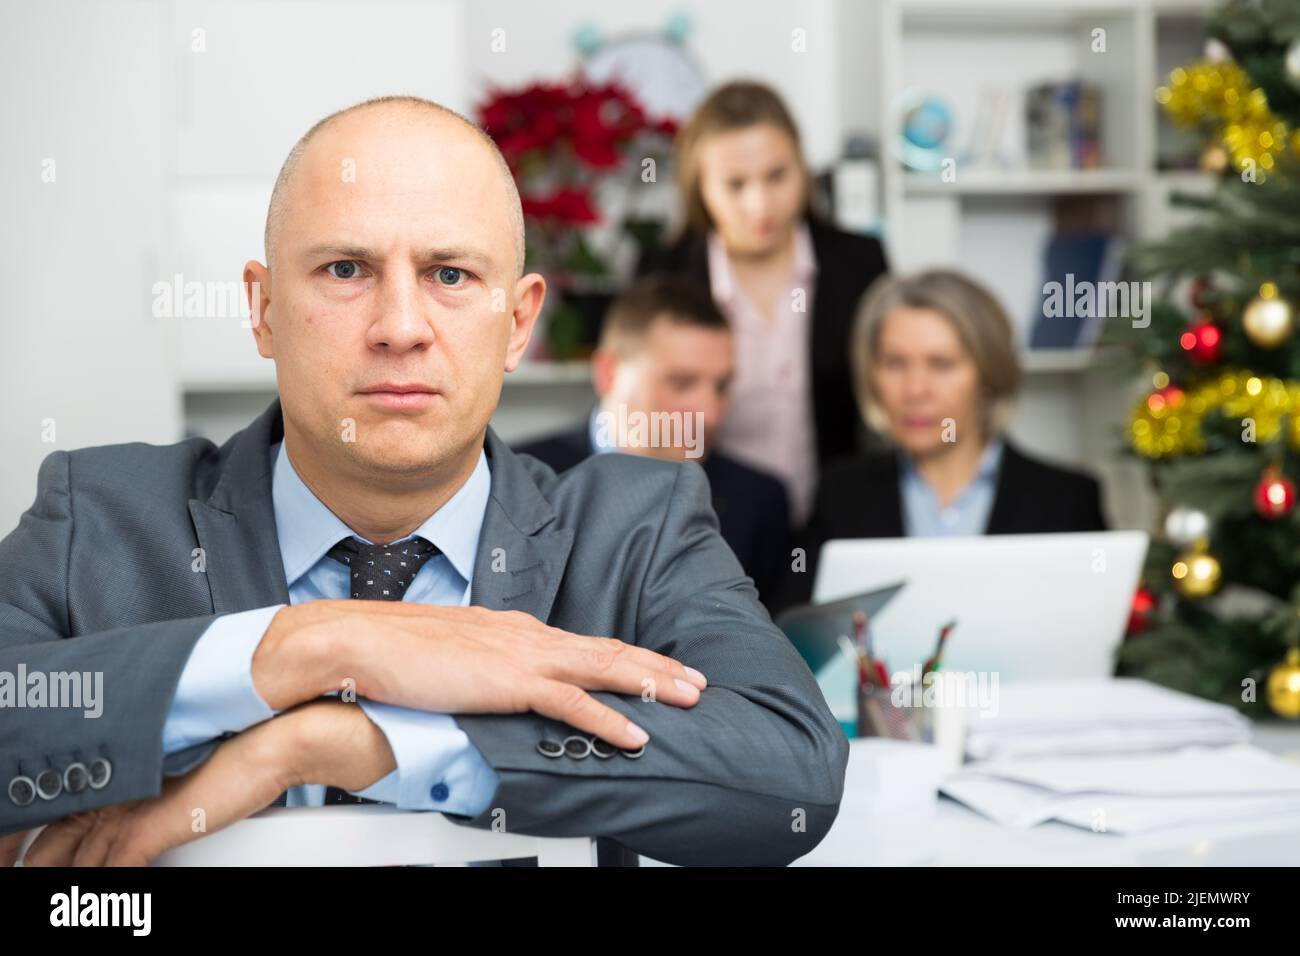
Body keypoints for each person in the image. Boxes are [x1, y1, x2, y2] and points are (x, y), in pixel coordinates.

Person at [0, 96, 847, 868]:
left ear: (517, 324)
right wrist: (308, 647)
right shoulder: (98, 516)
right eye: (344, 270)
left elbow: (791, 774)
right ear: (260, 310)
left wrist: (350, 738)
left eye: (450, 275)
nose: (400, 328)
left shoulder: (636, 529)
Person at [637, 80, 889, 528]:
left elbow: (888, 400)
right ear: (700, 187)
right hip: (699, 526)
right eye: (735, 184)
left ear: (803, 166)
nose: (760, 204)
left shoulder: (859, 264)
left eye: (777, 176)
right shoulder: (663, 272)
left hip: (834, 522)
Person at [790, 269, 1108, 602]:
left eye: (941, 364)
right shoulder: (841, 496)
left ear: (988, 375)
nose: (915, 390)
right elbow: (793, 632)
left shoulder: (1068, 501)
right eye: (895, 363)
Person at [516, 275, 790, 606]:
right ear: (608, 373)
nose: (709, 413)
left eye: (721, 387)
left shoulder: (757, 502)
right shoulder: (516, 479)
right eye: (682, 382)